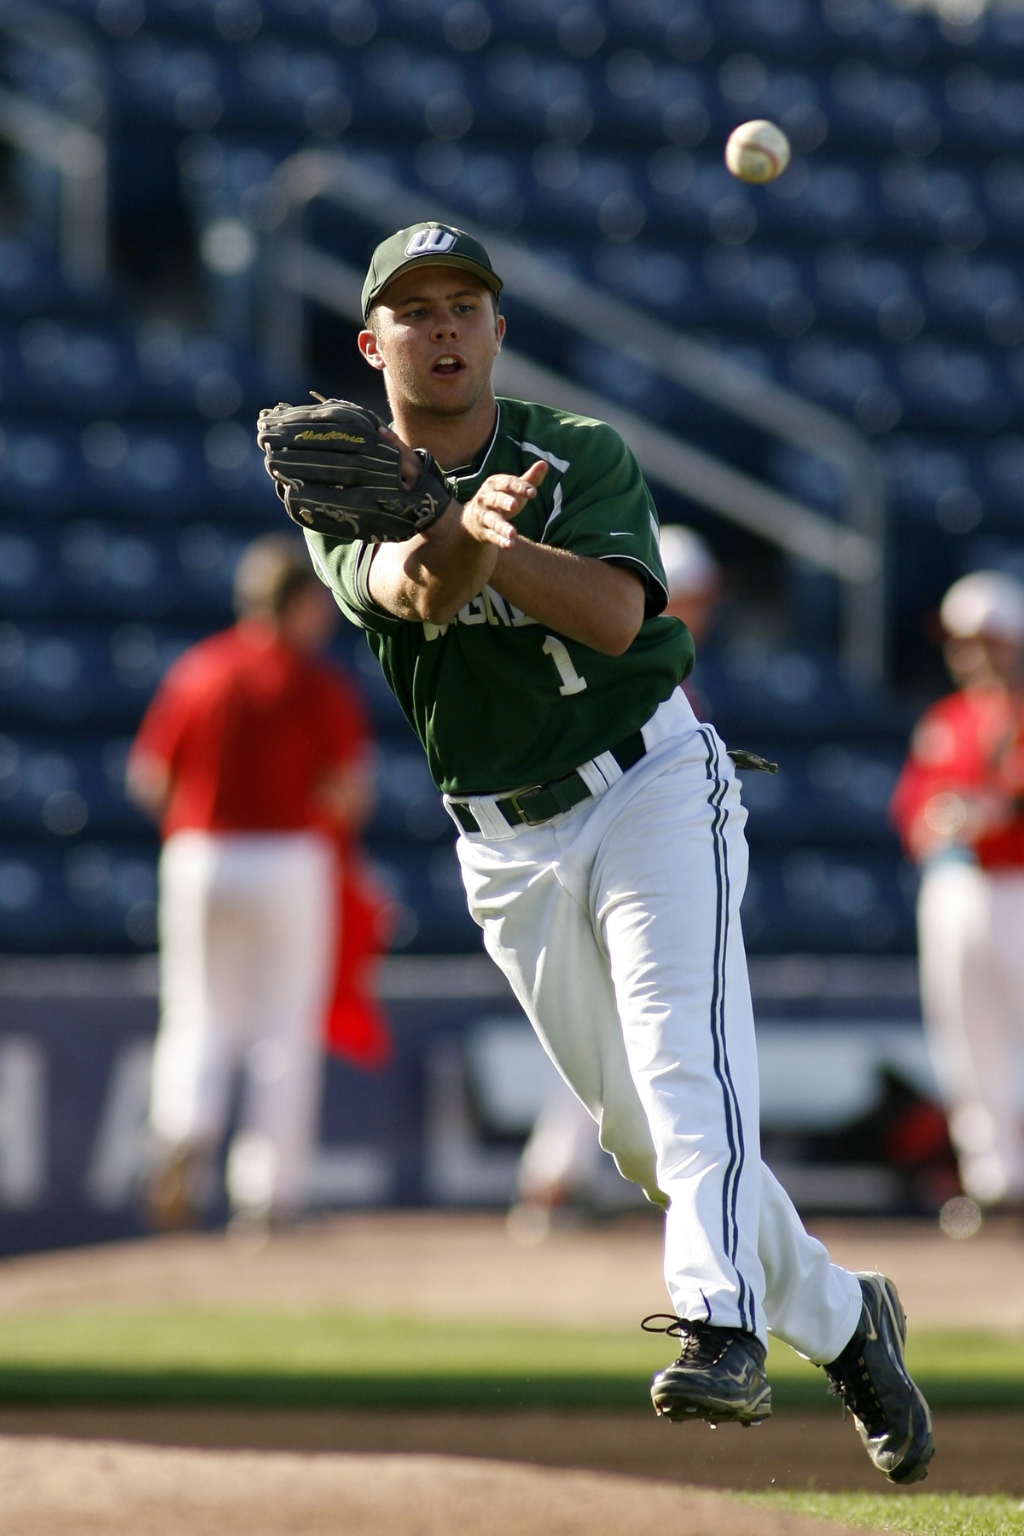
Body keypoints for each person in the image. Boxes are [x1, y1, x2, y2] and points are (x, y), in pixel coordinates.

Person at [300, 221, 933, 1480]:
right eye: (413, 309)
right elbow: (415, 595)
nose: (440, 327)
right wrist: (452, 532)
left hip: (646, 781)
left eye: (463, 303)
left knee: (687, 1068)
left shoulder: (574, 450)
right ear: (371, 342)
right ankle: (844, 1320)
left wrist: (493, 531)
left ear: (495, 329)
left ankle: (721, 1328)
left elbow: (608, 613)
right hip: (502, 840)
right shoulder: (343, 479)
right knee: (642, 1140)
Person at [127, 534, 375, 1229]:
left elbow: (149, 778)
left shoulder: (198, 670)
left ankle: (182, 1126)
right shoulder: (313, 681)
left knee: (197, 1014)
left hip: (198, 855)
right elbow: (349, 794)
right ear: (294, 603)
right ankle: (267, 1196)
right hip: (287, 859)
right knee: (282, 1031)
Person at [513, 524, 723, 1222]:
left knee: (617, 1028)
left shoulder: (664, 663)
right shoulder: (631, 662)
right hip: (609, 859)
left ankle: (564, 1173)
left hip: (598, 855)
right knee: (625, 1027)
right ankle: (565, 1175)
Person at [891, 569, 1024, 1213]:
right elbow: (911, 808)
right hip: (953, 886)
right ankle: (993, 1180)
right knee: (964, 1038)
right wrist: (937, 823)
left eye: (987, 640)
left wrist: (994, 811)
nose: (973, 654)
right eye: (962, 641)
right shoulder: (945, 718)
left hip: (1016, 884)